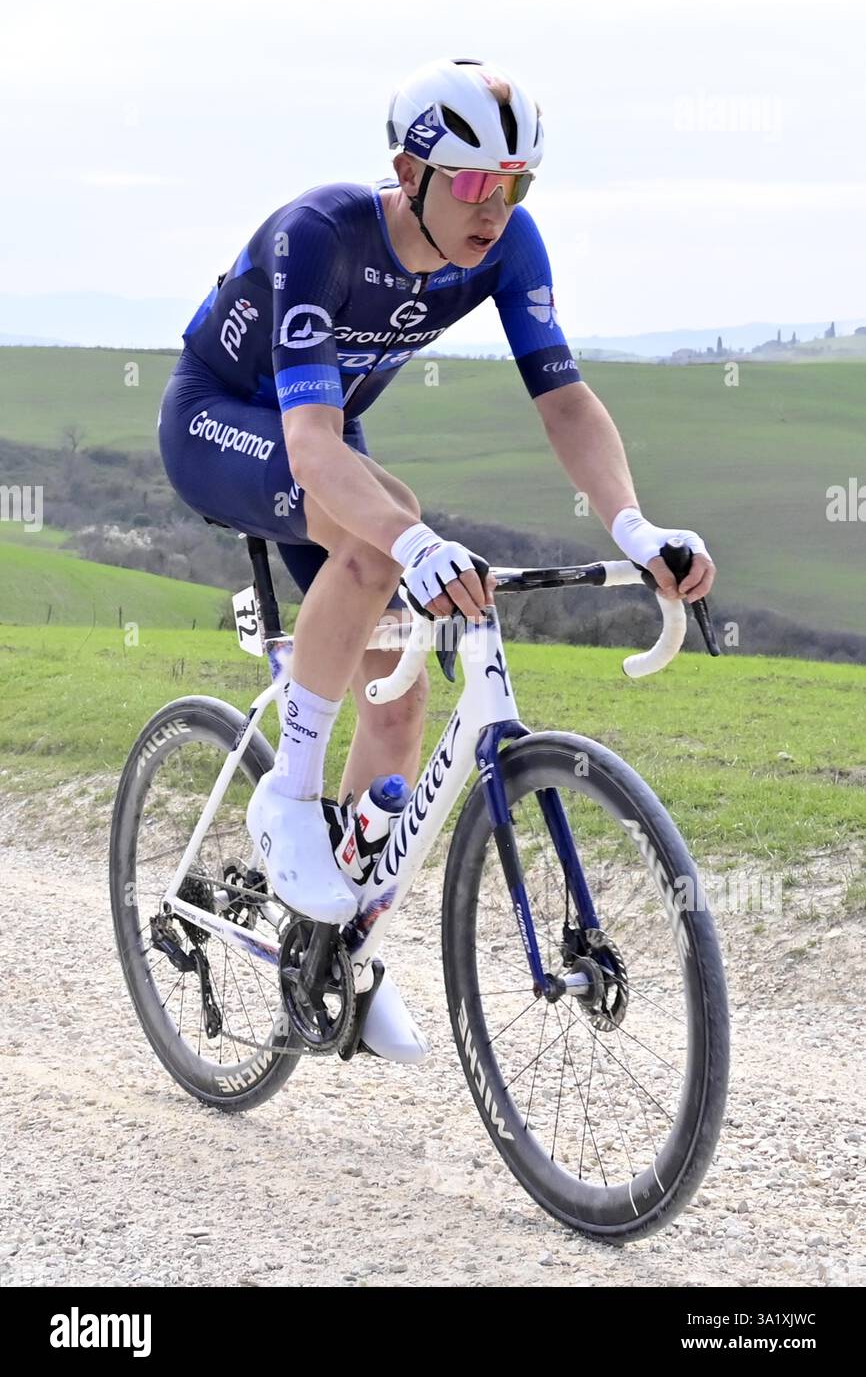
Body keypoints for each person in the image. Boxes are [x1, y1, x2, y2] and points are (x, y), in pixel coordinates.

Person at [157, 56, 715, 1063]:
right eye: (472, 182)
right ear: (408, 171)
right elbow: (311, 450)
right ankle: (286, 798)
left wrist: (635, 531)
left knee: (401, 698)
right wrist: (410, 541)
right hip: (222, 420)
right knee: (386, 539)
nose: (494, 207)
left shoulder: (505, 245)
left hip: (323, 429)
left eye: (515, 183)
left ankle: (335, 950)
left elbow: (563, 400)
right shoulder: (319, 234)